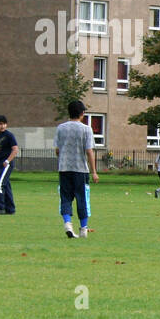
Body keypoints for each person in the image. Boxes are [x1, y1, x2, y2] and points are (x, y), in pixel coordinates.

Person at [55, 100, 100, 239]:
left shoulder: (60, 128)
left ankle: (68, 223)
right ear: (82, 113)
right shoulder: (86, 129)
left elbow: (57, 150)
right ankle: (83, 229)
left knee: (66, 198)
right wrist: (94, 171)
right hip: (80, 170)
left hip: (64, 168)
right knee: (82, 199)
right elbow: (89, 151)